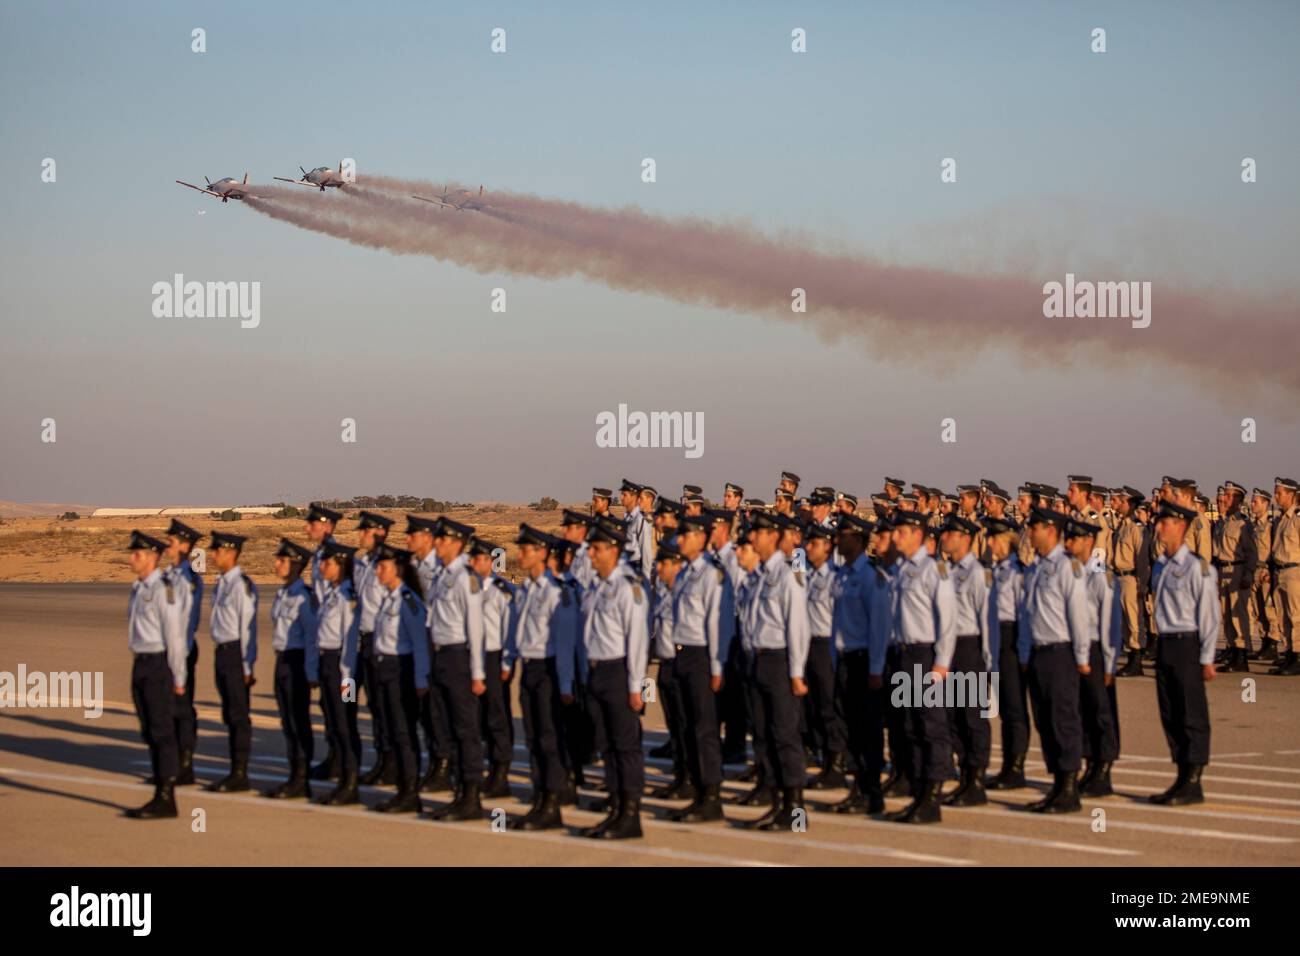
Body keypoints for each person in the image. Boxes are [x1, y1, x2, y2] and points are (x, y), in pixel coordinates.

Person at [503, 525, 578, 830]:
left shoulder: (556, 593)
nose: (520, 554)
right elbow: (515, 632)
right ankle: (539, 798)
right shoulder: (526, 591)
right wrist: (508, 662)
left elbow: (564, 642)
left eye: (526, 550)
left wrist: (565, 683)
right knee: (533, 738)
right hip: (529, 670)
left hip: (548, 671)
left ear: (542, 553)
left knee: (549, 739)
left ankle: (552, 804)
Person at [578, 516, 649, 839]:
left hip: (619, 672)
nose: (591, 554)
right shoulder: (598, 586)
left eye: (596, 548)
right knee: (607, 744)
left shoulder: (627, 587)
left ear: (614, 550)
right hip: (597, 672)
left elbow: (637, 640)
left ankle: (630, 815)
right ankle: (616, 808)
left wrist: (636, 686)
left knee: (625, 745)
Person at [882, 510, 955, 824]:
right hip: (903, 654)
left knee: (931, 728)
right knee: (909, 726)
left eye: (900, 532)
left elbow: (947, 621)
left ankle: (932, 798)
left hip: (925, 657)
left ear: (916, 533)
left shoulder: (934, 569)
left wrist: (941, 663)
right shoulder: (901, 570)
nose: (895, 537)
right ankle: (917, 792)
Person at [739, 511, 810, 830]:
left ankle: (796, 812)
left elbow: (798, 627)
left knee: (785, 736)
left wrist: (796, 672)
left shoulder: (787, 576)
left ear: (772, 537)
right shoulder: (757, 577)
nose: (752, 538)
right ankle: (778, 802)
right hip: (758, 661)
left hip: (781, 663)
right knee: (765, 736)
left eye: (757, 533)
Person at [1017, 508, 1089, 814]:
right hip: (1037, 653)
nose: (1029, 533)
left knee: (1063, 721)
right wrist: (1023, 654)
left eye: (1034, 528)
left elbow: (1079, 617)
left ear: (1050, 529)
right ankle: (1056, 785)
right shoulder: (1034, 569)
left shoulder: (1067, 567)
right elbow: (1027, 614)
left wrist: (1082, 658)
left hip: (1060, 652)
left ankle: (1069, 788)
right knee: (1044, 722)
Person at [1149, 501, 1221, 804]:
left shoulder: (1197, 567)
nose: (1158, 527)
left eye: (1163, 522)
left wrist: (1206, 658)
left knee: (1191, 712)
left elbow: (1209, 615)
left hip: (1187, 644)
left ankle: (1194, 781)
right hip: (1165, 643)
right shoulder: (1162, 565)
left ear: (1179, 525)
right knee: (1171, 713)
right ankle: (1181, 775)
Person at [665, 513, 733, 823]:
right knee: (688, 727)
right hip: (681, 654)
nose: (679, 540)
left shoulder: (712, 575)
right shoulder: (684, 574)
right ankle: (696, 790)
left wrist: (718, 666)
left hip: (703, 656)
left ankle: (712, 797)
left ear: (702, 538)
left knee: (705, 729)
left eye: (685, 534)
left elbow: (718, 623)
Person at [424, 519, 488, 821]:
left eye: (442, 540)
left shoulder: (466, 578)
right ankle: (458, 793)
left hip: (459, 657)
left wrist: (477, 673)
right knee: (445, 726)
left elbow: (475, 627)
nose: (436, 544)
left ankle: (471, 796)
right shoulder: (442, 575)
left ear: (456, 543)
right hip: (440, 656)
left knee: (466, 729)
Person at [825, 513, 888, 814]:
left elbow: (878, 627)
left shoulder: (870, 576)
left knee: (868, 731)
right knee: (850, 729)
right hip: (846, 661)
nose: (838, 539)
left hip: (865, 662)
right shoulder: (843, 575)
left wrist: (877, 668)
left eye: (844, 534)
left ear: (860, 539)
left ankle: (871, 791)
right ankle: (857, 787)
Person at [124, 531, 188, 819]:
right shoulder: (138, 589)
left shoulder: (164, 590)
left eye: (137, 554)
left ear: (152, 557)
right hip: (141, 664)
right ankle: (159, 788)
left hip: (159, 665)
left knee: (162, 732)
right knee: (148, 730)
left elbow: (174, 638)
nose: (131, 558)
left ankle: (166, 797)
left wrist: (179, 679)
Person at [369, 542, 431, 813]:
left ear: (399, 569)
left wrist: (420, 681)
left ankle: (410, 793)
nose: (378, 572)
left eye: (383, 567)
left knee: (404, 734)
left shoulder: (409, 602)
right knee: (393, 731)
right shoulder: (390, 599)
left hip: (401, 673)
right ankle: (402, 789)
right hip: (385, 670)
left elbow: (420, 644)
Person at [938, 515, 992, 807]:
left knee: (973, 718)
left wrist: (988, 667)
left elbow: (987, 623)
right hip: (950, 649)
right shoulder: (947, 571)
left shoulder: (978, 574)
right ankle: (963, 777)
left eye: (950, 533)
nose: (944, 537)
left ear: (965, 538)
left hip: (970, 649)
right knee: (951, 717)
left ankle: (976, 780)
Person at [1064, 520, 1121, 797]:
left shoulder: (1101, 576)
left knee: (1101, 711)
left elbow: (1111, 623)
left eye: (1073, 540)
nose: (1068, 545)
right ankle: (1090, 765)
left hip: (1097, 650)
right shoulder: (1074, 573)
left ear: (1088, 541)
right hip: (1077, 649)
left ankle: (1104, 769)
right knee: (1082, 710)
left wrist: (1110, 662)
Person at [265, 538, 318, 799]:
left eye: (282, 560)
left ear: (296, 565)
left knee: (299, 721)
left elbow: (311, 636)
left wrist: (311, 672)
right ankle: (293, 776)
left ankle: (301, 778)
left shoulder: (303, 596)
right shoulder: (284, 593)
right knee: (287, 720)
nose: (277, 563)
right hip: (282, 660)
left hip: (297, 663)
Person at [205, 531, 258, 793]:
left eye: (217, 550)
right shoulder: (222, 583)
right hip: (222, 652)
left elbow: (247, 629)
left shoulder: (240, 586)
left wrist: (248, 666)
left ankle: (240, 773)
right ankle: (234, 770)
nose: (213, 555)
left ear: (231, 553)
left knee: (239, 715)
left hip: (236, 654)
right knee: (229, 713)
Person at [310, 539, 362, 805]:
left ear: (340, 565)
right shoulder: (332, 594)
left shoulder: (347, 597)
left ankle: (350, 782)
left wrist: (347, 680)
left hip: (344, 669)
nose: (321, 566)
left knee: (345, 724)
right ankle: (342, 778)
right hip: (328, 664)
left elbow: (350, 642)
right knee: (333, 721)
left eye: (327, 563)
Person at [983, 517, 1029, 790]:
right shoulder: (994, 571)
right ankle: (1005, 765)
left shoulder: (1017, 573)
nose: (990, 543)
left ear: (1006, 541)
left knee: (1014, 707)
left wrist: (1023, 654)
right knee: (1001, 708)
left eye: (994, 538)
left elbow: (1023, 613)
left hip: (1011, 640)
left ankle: (1016, 767)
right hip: (995, 638)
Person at [468, 536, 515, 798]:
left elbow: (509, 629)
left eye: (479, 559)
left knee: (497, 716)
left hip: (494, 657)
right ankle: (485, 767)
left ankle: (501, 773)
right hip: (474, 656)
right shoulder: (469, 588)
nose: (475, 563)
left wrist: (507, 663)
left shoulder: (502, 590)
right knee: (477, 717)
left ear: (490, 561)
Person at [802, 521, 848, 790]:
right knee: (813, 707)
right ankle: (822, 757)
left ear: (828, 547)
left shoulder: (835, 577)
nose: (809, 547)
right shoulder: (807, 575)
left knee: (830, 708)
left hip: (827, 646)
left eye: (815, 543)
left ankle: (836, 764)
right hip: (809, 645)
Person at [353, 511, 396, 785]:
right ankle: (382, 760)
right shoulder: (363, 564)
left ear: (380, 533)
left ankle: (392, 763)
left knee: (386, 707)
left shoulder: (389, 565)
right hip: (365, 642)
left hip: (384, 642)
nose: (360, 536)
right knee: (375, 707)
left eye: (365, 531)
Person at [161, 519, 203, 786]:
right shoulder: (170, 575)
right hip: (165, 650)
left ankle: (185, 767)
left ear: (185, 546)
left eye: (172, 541)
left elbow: (183, 623)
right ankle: (172, 764)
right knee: (167, 711)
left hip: (182, 649)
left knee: (182, 710)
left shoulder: (187, 580)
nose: (167, 546)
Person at [1268, 477, 1300, 676]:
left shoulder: (1297, 518)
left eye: (1279, 493)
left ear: (1291, 494)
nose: (1276, 496)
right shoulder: (1281, 519)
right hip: (1280, 571)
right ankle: (1288, 653)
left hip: (1295, 571)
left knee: (1296, 616)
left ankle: (1298, 655)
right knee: (1282, 616)